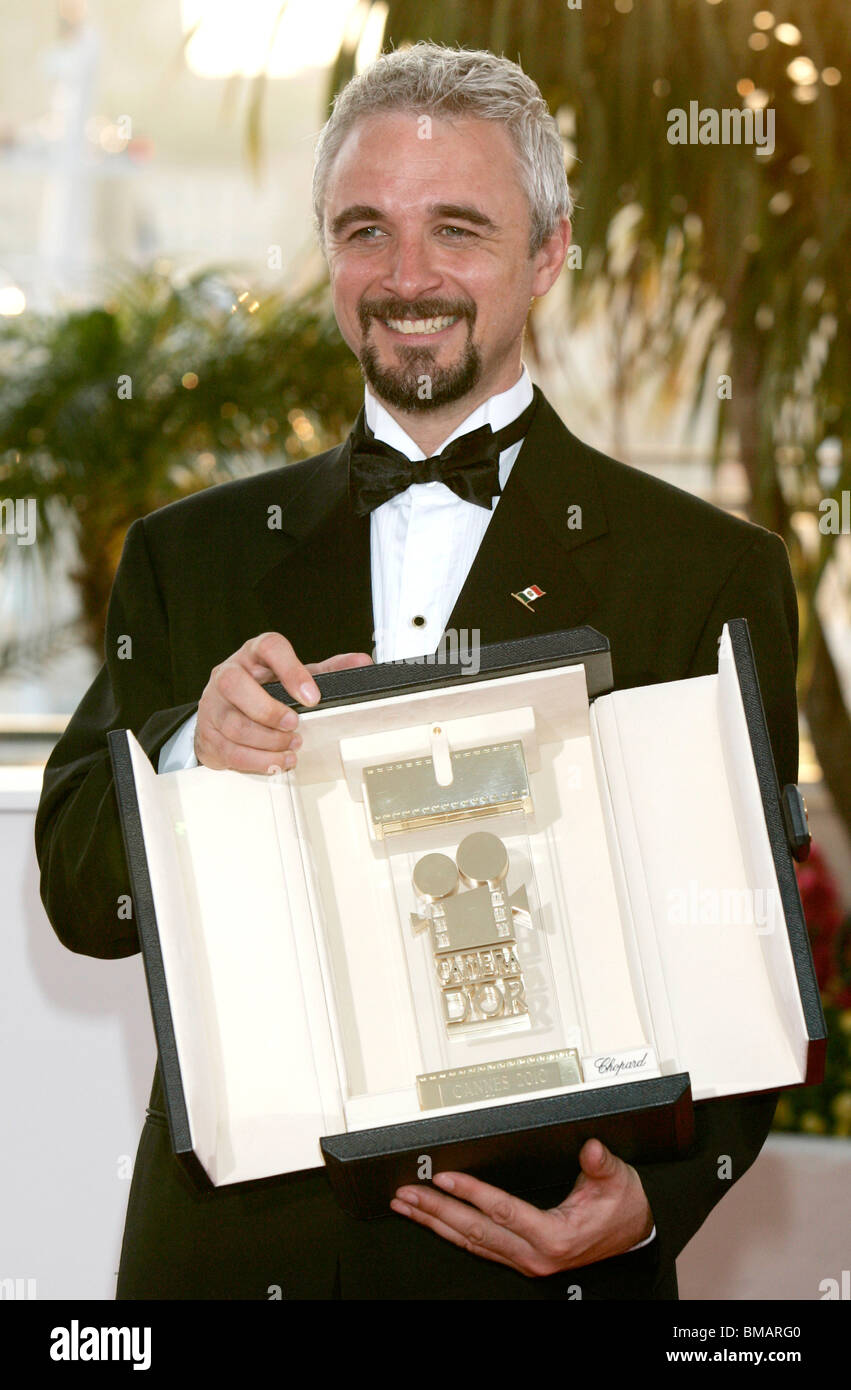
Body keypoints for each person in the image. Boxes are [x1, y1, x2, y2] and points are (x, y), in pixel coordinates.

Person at [35, 42, 799, 1301]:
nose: (405, 278)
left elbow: (750, 958)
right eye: (363, 230)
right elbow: (77, 891)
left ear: (546, 254)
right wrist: (186, 747)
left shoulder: (705, 570)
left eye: (457, 228)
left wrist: (651, 1206)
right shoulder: (191, 555)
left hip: (532, 1260)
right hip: (234, 1259)